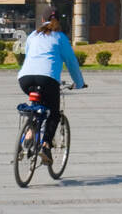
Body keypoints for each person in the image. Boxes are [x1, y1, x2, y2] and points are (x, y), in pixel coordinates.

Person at [18, 9, 86, 165]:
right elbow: (71, 62)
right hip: (47, 79)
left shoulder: (33, 35)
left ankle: (29, 133)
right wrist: (79, 83)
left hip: (25, 78)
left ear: (42, 19)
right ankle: (45, 144)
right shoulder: (60, 37)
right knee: (54, 113)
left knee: (37, 108)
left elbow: (28, 55)